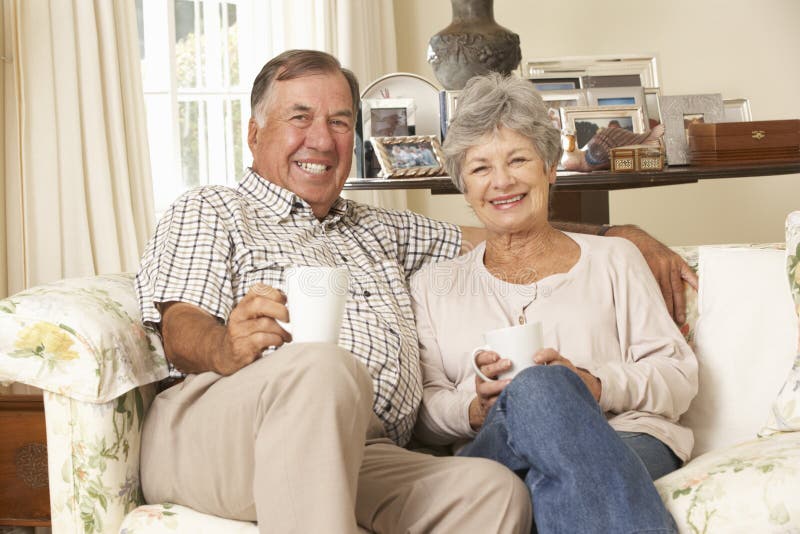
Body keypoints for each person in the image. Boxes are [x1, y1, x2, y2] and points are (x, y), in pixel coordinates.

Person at [135, 49, 693, 533]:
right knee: (323, 366)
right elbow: (180, 325)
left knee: (490, 493)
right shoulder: (212, 209)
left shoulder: (380, 229)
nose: (321, 139)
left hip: (358, 450)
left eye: (338, 121)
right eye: (299, 118)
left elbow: (503, 223)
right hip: (226, 438)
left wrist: (617, 233)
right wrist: (224, 348)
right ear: (254, 132)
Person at [410, 73, 699, 533]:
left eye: (518, 159)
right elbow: (424, 410)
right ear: (463, 186)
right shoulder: (432, 285)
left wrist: (594, 385)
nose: (501, 182)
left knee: (548, 441)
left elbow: (678, 378)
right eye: (481, 168)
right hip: (495, 448)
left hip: (624, 436)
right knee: (536, 391)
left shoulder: (616, 259)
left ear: (548, 168)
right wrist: (476, 409)